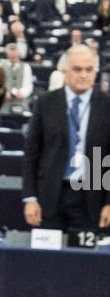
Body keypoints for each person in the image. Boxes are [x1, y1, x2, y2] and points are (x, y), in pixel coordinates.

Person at [22, 44, 110, 234]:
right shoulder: (45, 103)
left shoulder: (107, 106)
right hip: (50, 194)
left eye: (89, 70)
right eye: (77, 69)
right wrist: (30, 198)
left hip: (92, 196)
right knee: (48, 260)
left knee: (84, 261)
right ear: (65, 71)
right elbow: (31, 154)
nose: (84, 75)